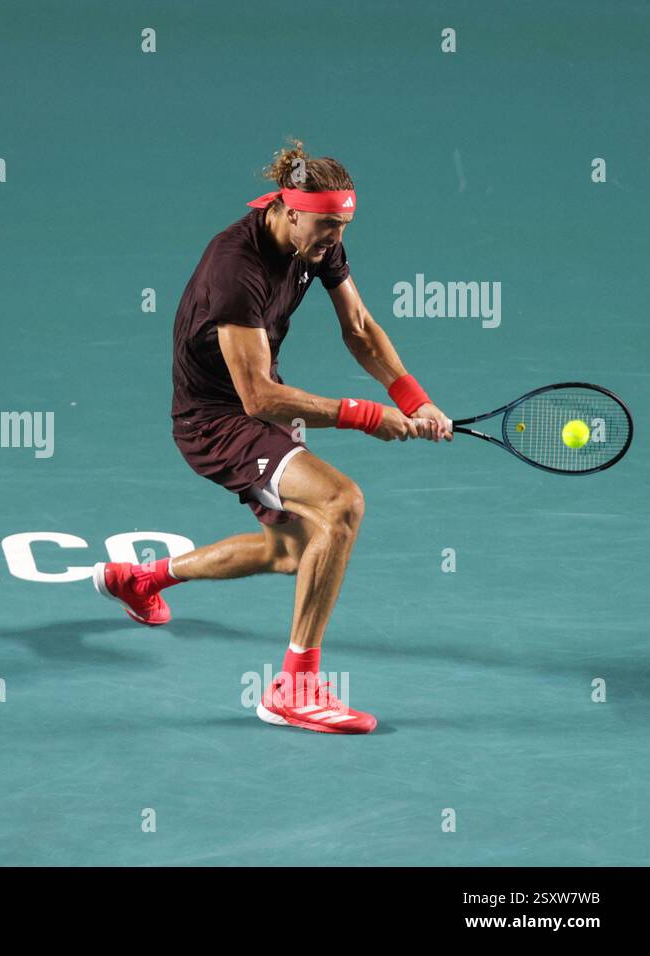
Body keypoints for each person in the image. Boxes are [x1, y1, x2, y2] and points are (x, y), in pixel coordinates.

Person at [93, 141, 452, 734]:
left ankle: (140, 580)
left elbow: (359, 327)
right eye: (326, 225)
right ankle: (295, 688)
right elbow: (257, 395)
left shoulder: (317, 242)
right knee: (341, 503)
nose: (335, 239)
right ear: (289, 212)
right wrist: (367, 415)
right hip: (217, 421)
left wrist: (414, 400)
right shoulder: (235, 268)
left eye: (343, 226)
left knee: (293, 552)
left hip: (254, 413)